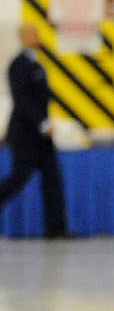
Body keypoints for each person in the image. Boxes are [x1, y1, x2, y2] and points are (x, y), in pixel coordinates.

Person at [1, 23, 67, 237]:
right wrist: (41, 122)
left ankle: (56, 229)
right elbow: (22, 100)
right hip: (25, 134)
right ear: (22, 37)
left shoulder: (37, 63)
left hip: (42, 136)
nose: (37, 36)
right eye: (33, 34)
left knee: (52, 179)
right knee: (18, 177)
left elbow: (43, 96)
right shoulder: (17, 65)